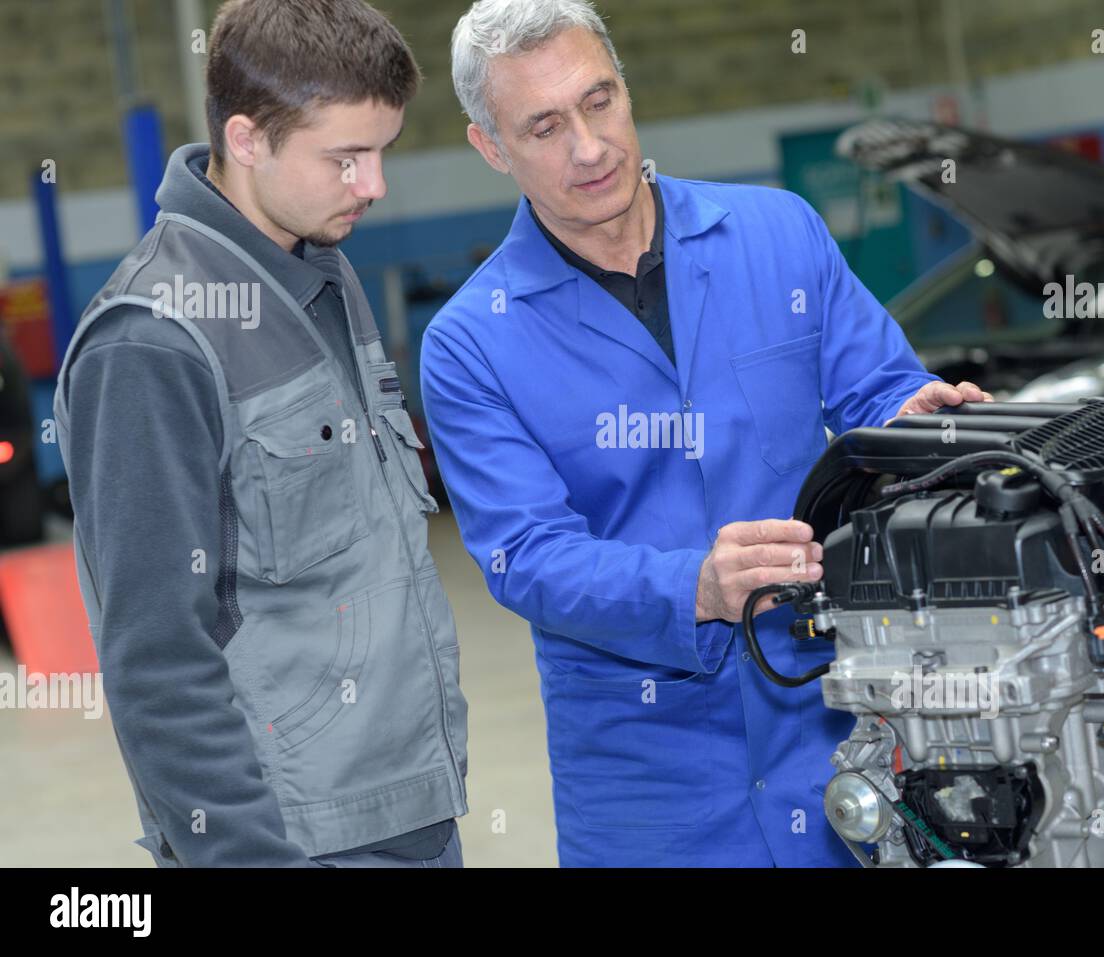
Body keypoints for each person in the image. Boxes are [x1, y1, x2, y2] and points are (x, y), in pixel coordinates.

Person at [420, 0, 992, 866]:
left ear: (625, 88)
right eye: (543, 126)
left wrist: (915, 417)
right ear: (491, 148)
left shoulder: (776, 234)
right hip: (645, 776)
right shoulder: (471, 342)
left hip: (830, 721)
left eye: (599, 100)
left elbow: (878, 385)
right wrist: (694, 584)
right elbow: (525, 553)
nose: (589, 146)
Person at [54, 0, 467, 868]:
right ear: (246, 139)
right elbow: (158, 661)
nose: (375, 185)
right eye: (345, 158)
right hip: (293, 841)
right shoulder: (151, 339)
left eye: (382, 152)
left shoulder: (323, 267)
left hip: (404, 813)